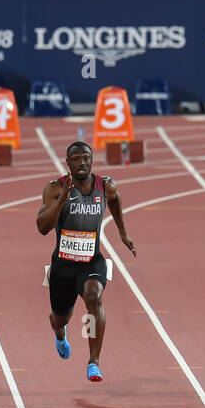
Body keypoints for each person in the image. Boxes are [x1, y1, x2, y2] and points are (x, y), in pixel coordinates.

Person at [35, 141, 136, 383]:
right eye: (76, 158)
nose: (82, 162)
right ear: (67, 163)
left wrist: (123, 232)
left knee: (94, 296)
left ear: (92, 160)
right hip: (63, 266)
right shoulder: (54, 188)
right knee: (60, 318)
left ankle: (94, 362)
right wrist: (61, 200)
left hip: (92, 261)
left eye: (86, 158)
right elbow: (42, 227)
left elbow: (116, 199)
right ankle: (60, 333)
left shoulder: (105, 186)